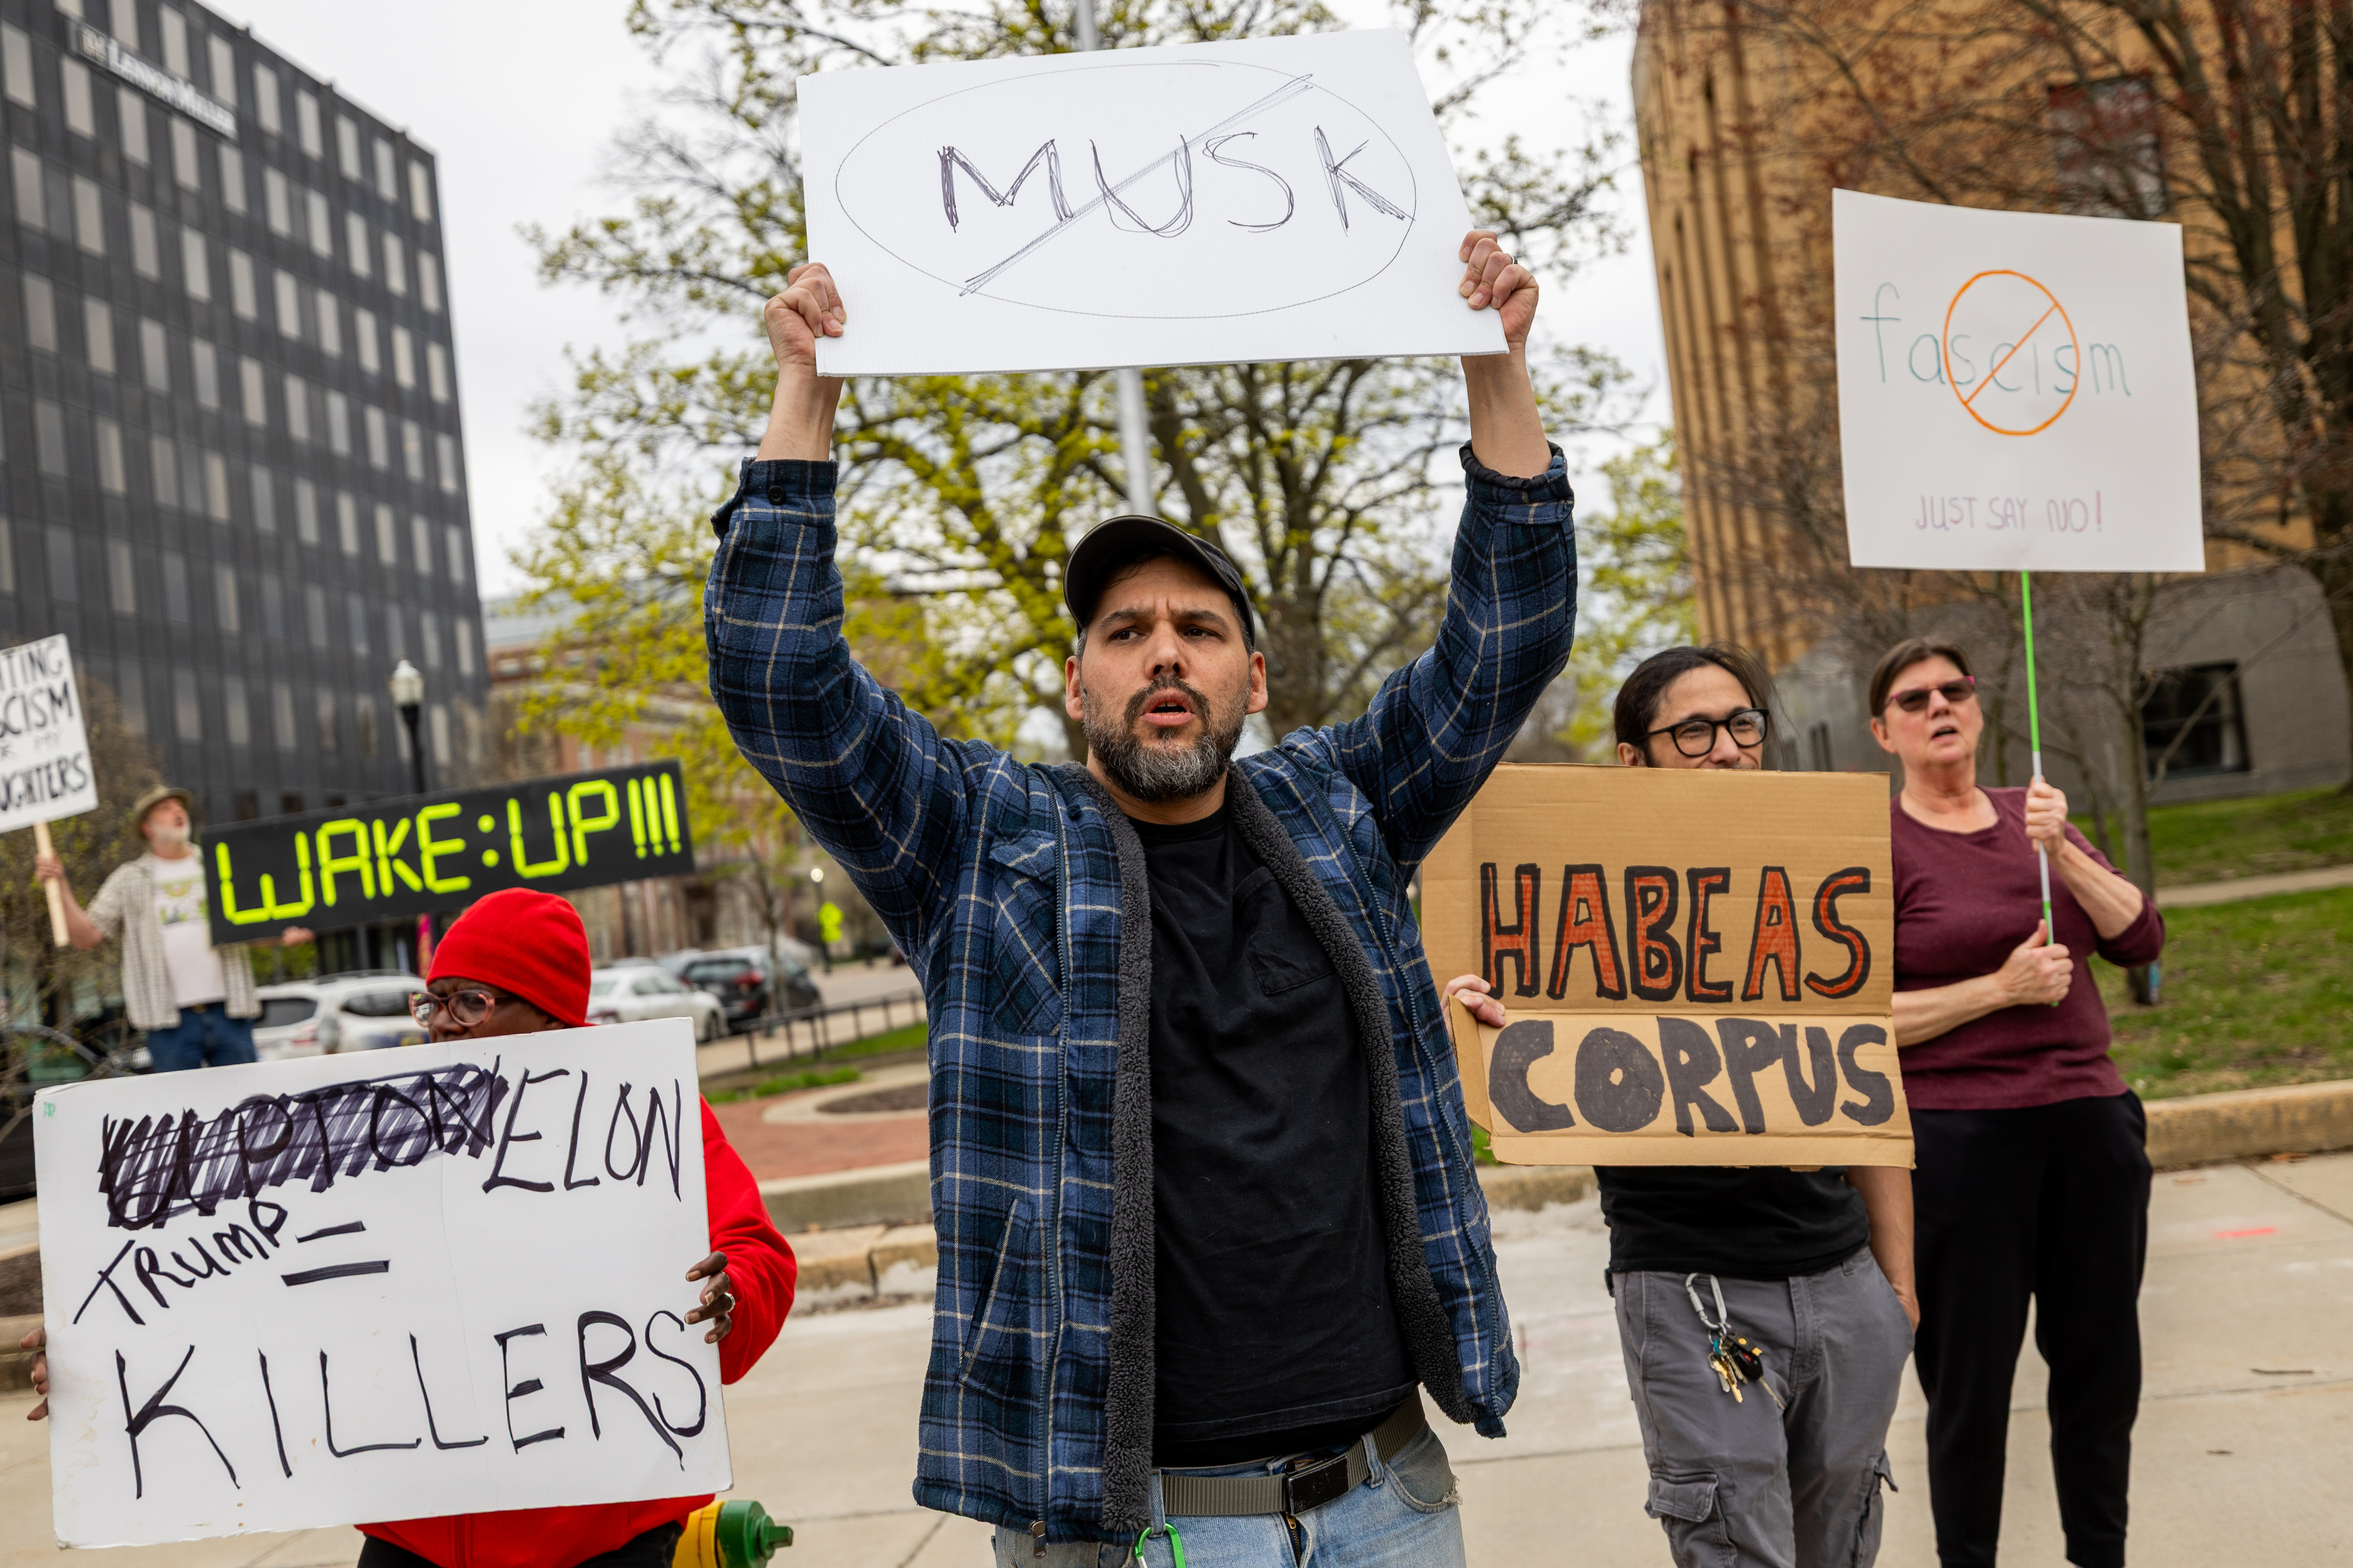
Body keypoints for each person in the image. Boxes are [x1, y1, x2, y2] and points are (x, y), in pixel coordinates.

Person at [704, 231, 1571, 1563]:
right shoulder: (984, 843)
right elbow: (782, 684)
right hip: (1134, 1529)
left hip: (1386, 1495)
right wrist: (807, 396)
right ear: (1077, 685)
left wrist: (1494, 370)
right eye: (1124, 632)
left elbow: (1503, 641)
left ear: (1253, 679)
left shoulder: (1342, 808)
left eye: (1200, 628)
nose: (1164, 651)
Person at [19, 886, 800, 1568]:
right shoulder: (373, 1121)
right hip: (416, 1538)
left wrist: (726, 1296)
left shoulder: (640, 1110)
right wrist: (103, 1359)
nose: (444, 1023)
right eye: (434, 1000)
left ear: (549, 1015)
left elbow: (757, 1254)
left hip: (606, 1534)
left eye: (472, 1000)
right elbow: (248, 1286)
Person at [1455, 645, 1916, 1568]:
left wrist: (1896, 1291)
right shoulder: (1581, 894)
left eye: (1742, 724)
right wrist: (1505, 1032)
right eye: (1693, 731)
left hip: (1842, 1284)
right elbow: (1536, 1069)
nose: (1727, 748)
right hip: (1693, 1291)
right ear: (1635, 758)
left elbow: (1867, 1088)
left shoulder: (1811, 873)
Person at [1866, 637, 2164, 1568]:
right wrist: (1995, 989)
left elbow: (2139, 936)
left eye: (1954, 689)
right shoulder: (1876, 844)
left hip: (2089, 1121)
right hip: (1959, 1139)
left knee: (2099, 1368)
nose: (1938, 706)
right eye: (1913, 699)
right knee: (1969, 1382)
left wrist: (2061, 852)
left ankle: (2099, 1553)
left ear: (1981, 706)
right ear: (1883, 731)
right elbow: (1854, 1018)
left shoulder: (2035, 815)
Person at [33, 784, 310, 1070]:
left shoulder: (217, 864)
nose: (177, 812)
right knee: (183, 1111)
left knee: (245, 1107)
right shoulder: (129, 879)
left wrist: (282, 937)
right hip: (169, 1024)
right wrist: (60, 884)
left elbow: (250, 933)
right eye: (164, 809)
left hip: (231, 1013)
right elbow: (86, 937)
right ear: (147, 827)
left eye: (179, 807)